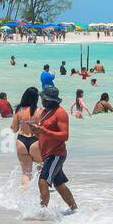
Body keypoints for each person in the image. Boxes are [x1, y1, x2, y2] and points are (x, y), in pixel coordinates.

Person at [34, 85, 77, 215]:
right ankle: (74, 210)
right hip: (47, 154)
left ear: (49, 99)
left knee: (43, 181)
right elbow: (43, 134)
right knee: (59, 185)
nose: (41, 100)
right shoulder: (44, 112)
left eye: (43, 98)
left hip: (56, 154)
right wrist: (36, 132)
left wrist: (44, 131)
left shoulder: (60, 113)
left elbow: (65, 135)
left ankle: (42, 213)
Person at [11, 86, 43, 187]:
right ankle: (42, 196)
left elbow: (14, 129)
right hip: (35, 142)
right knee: (41, 171)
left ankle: (24, 197)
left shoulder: (19, 111)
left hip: (21, 141)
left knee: (25, 173)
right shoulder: (40, 111)